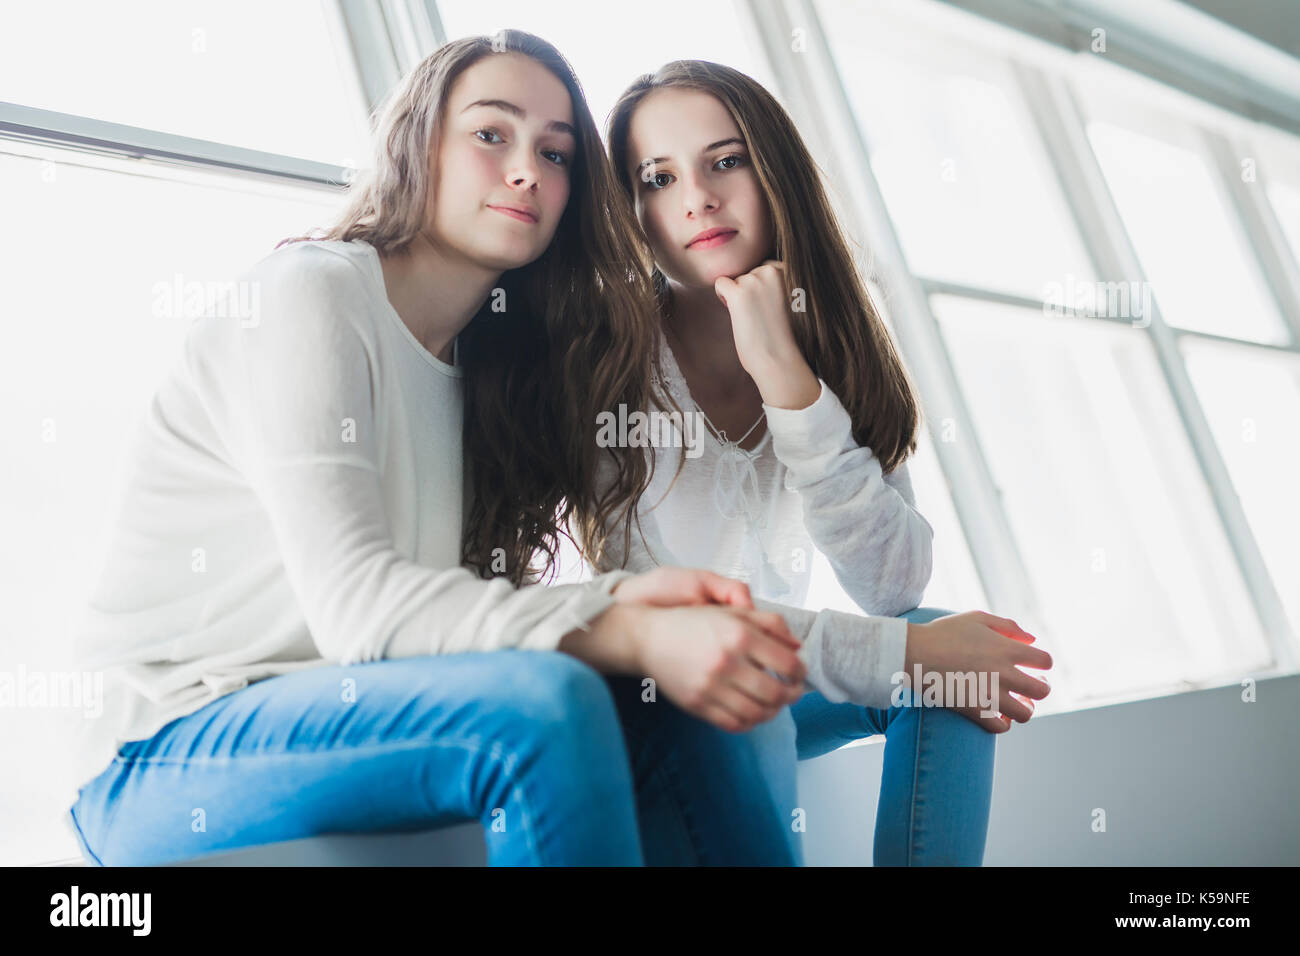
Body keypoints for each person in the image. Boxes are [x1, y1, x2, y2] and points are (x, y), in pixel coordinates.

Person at [64, 33, 812, 868]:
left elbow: (455, 615)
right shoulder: (311, 294)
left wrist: (658, 625)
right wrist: (625, 626)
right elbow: (361, 611)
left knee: (674, 705)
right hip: (162, 753)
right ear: (420, 142)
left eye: (556, 153)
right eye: (492, 134)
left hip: (353, 714)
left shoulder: (488, 366)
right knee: (547, 702)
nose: (528, 169)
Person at [588, 59, 1054, 864]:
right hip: (660, 698)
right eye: (658, 178)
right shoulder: (608, 357)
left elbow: (893, 586)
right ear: (633, 210)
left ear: (777, 173)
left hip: (778, 680)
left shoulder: (828, 339)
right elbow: (660, 618)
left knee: (948, 661)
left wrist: (788, 382)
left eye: (724, 161)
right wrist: (906, 654)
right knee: (927, 654)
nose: (696, 196)